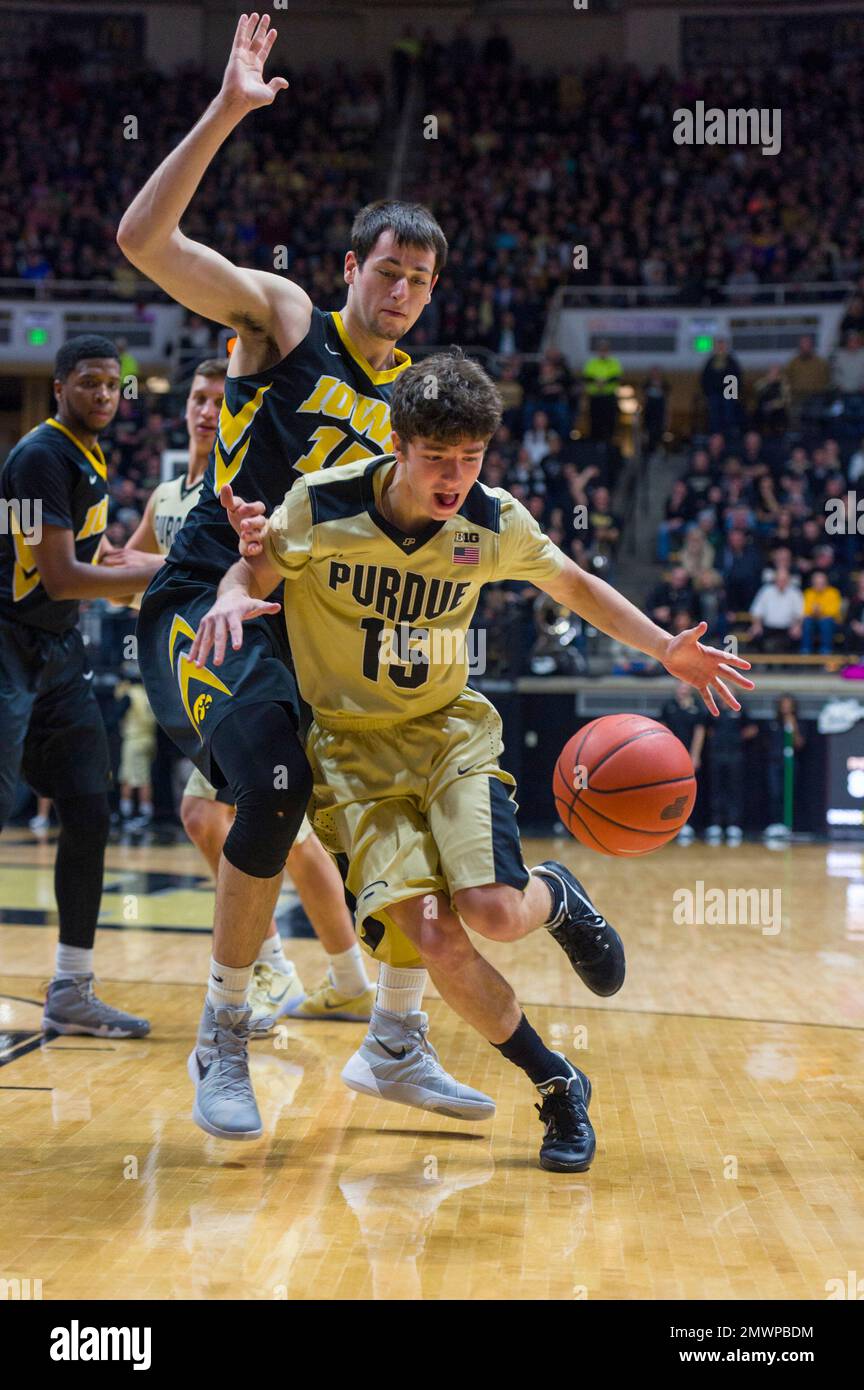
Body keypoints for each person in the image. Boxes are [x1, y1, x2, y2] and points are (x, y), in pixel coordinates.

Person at [192, 352, 754, 1169]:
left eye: (471, 458)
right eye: (437, 458)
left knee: (492, 911)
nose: (455, 476)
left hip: (449, 736)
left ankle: (555, 895)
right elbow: (254, 565)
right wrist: (231, 594)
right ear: (397, 441)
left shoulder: (490, 520)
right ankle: (558, 1084)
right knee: (430, 931)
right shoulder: (325, 503)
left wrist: (667, 647)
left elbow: (575, 584)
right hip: (350, 754)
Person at [117, 14, 462, 1134]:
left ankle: (396, 1037)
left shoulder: (418, 408)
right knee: (266, 792)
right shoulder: (284, 319)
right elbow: (142, 240)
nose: (402, 290)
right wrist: (228, 108)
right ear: (351, 269)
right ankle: (222, 1036)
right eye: (389, 270)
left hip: (318, 630)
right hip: (208, 602)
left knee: (418, 804)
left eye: (421, 280)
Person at [107, 359, 373, 1026]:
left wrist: (159, 569)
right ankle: (310, 973)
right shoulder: (166, 497)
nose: (202, 410)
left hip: (258, 654)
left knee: (273, 826)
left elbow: (246, 566)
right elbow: (133, 573)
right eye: (193, 399)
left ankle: (301, 972)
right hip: (195, 655)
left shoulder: (252, 474)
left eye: (212, 398)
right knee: (249, 822)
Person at [0, 336, 164, 1037]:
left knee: (89, 807)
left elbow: (94, 564)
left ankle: (71, 986)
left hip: (57, 651)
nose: (103, 395)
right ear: (61, 384)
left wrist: (156, 571)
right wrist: (156, 577)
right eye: (89, 383)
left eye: (111, 385)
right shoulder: (40, 455)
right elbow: (64, 576)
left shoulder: (87, 456)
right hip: (7, 641)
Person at [659, 682, 707, 845]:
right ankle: (669, 824)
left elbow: (699, 732)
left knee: (688, 791)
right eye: (680, 686)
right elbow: (663, 729)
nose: (682, 689)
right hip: (671, 754)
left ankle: (688, 824)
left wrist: (695, 755)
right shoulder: (668, 706)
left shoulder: (697, 707)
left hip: (688, 754)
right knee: (669, 791)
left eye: (685, 687)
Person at [800, 569, 842, 656]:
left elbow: (833, 611)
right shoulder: (808, 593)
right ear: (813, 583)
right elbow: (805, 611)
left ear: (826, 582)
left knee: (825, 621)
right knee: (807, 622)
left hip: (831, 622)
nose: (819, 585)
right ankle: (806, 651)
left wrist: (820, 610)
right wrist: (815, 612)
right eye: (817, 583)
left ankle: (826, 651)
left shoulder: (833, 592)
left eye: (822, 583)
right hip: (813, 621)